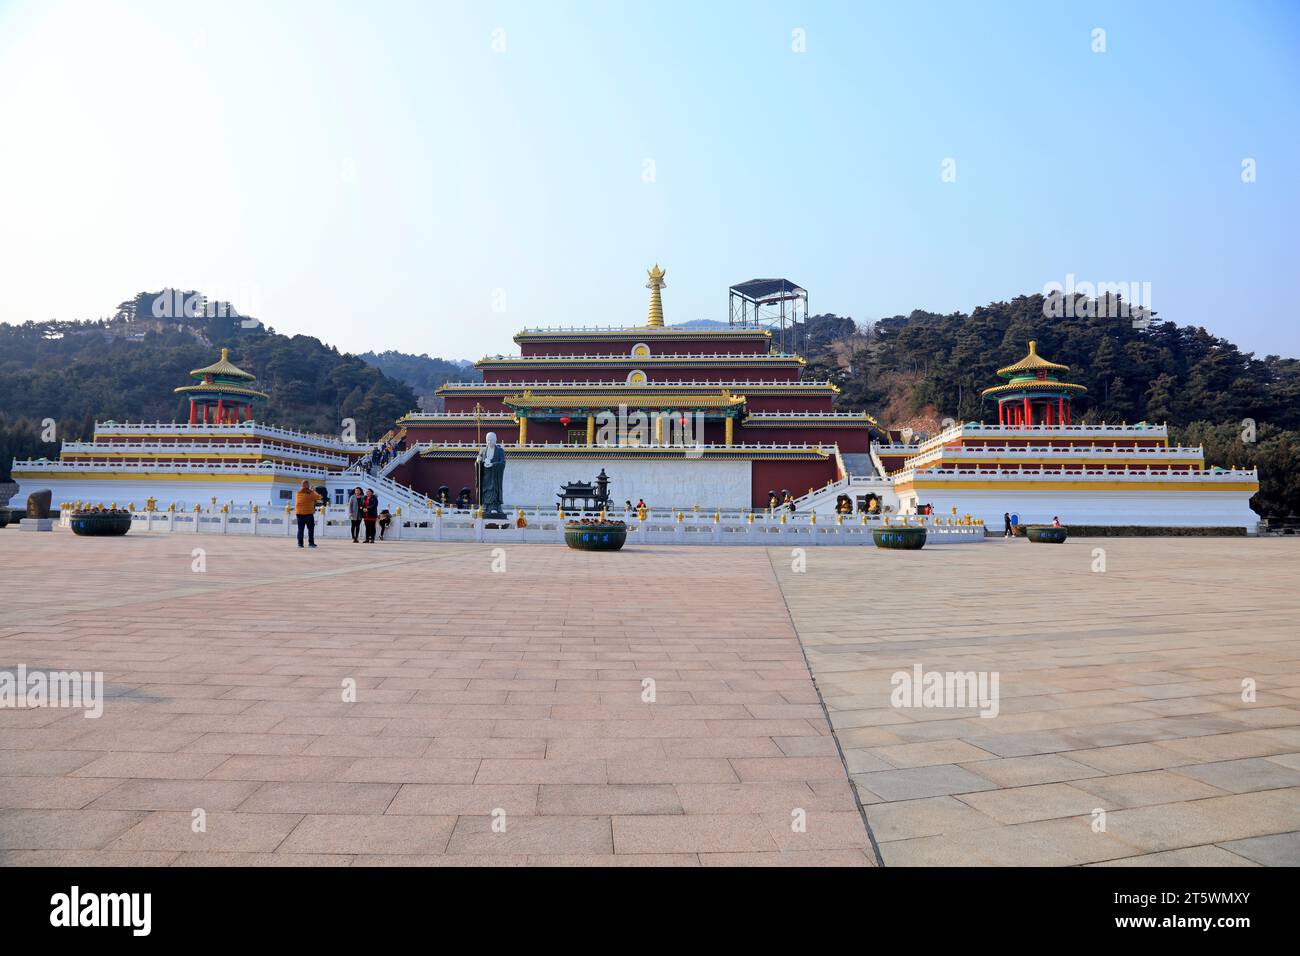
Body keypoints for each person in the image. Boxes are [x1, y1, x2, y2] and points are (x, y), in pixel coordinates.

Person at [294, 479, 321, 548]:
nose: (309, 485)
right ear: (306, 485)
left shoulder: (298, 493)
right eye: (308, 484)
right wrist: (313, 490)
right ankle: (311, 543)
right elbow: (319, 497)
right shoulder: (310, 493)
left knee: (300, 529)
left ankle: (300, 544)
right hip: (308, 514)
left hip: (299, 513)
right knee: (311, 529)